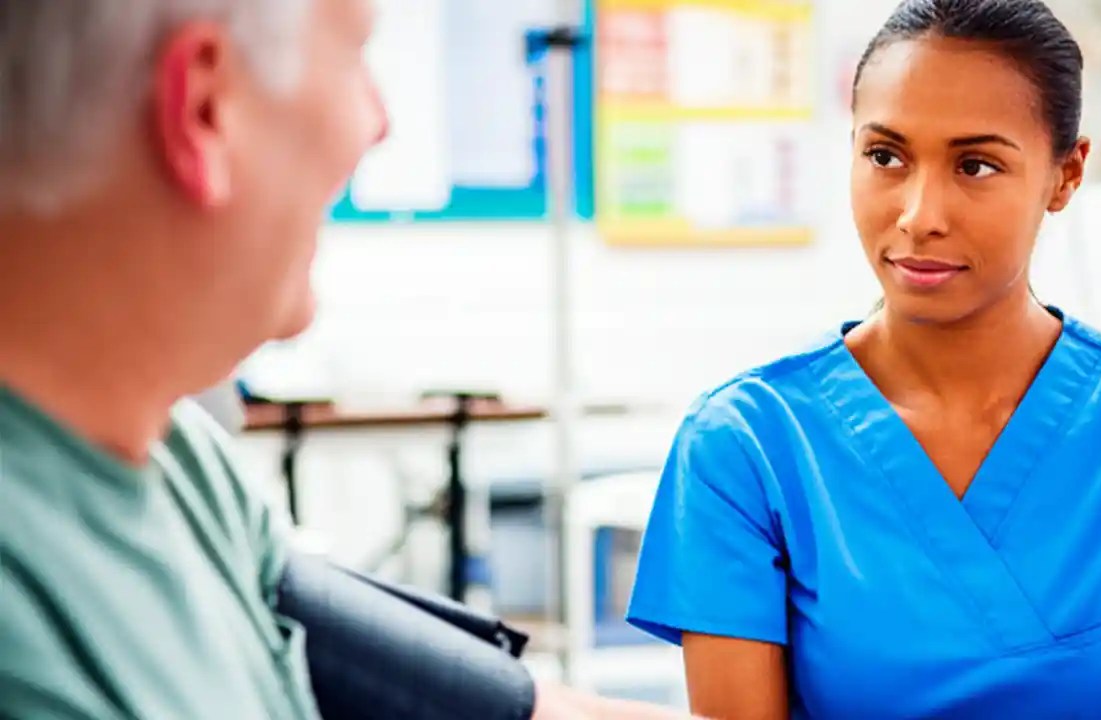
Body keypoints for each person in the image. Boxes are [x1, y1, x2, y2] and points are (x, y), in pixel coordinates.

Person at [0, 1, 689, 718]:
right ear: (204, 109)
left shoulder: (181, 460)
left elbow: (490, 707)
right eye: (355, 56)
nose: (378, 122)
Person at [626, 1, 1101, 718]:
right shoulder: (745, 444)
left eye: (975, 164)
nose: (919, 214)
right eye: (885, 156)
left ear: (1066, 174)